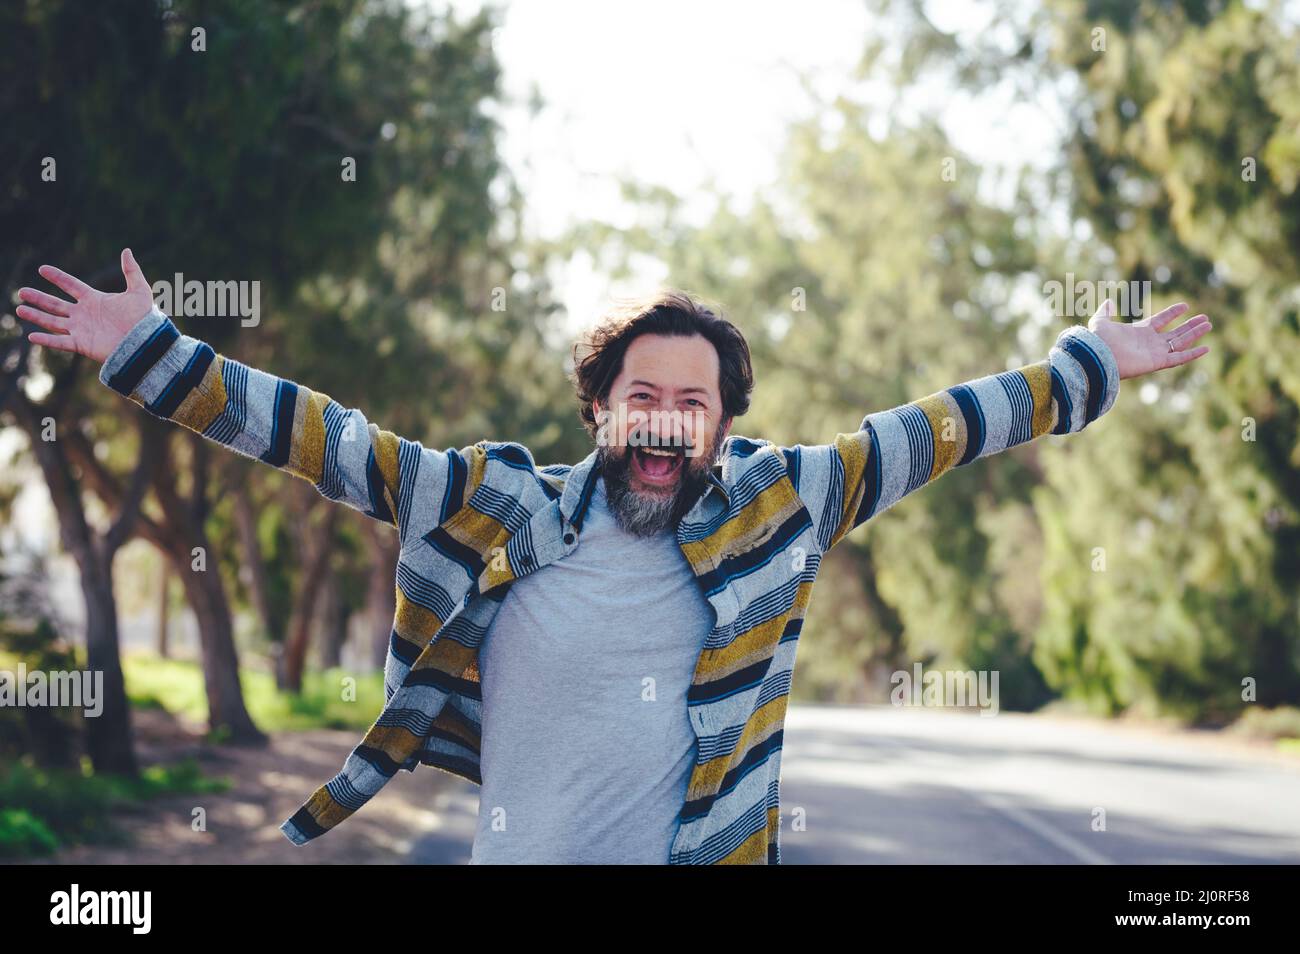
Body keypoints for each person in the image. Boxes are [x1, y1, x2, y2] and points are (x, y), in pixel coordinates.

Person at [18, 249, 1212, 864]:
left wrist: (1085, 366)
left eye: (691, 404)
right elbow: (333, 444)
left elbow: (936, 430)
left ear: (723, 427)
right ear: (599, 410)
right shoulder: (493, 506)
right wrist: (155, 356)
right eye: (642, 395)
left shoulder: (781, 508)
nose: (664, 421)